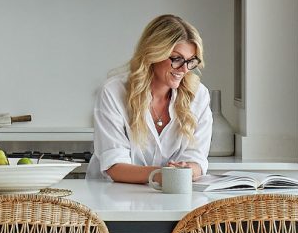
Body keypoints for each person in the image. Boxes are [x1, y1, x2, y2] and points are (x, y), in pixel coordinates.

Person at [91, 14, 212, 184]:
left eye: (191, 61)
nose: (184, 69)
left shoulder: (198, 95)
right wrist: (164, 175)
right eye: (177, 59)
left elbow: (197, 158)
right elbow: (114, 166)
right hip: (114, 195)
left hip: (174, 193)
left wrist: (188, 169)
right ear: (153, 54)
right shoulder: (113, 92)